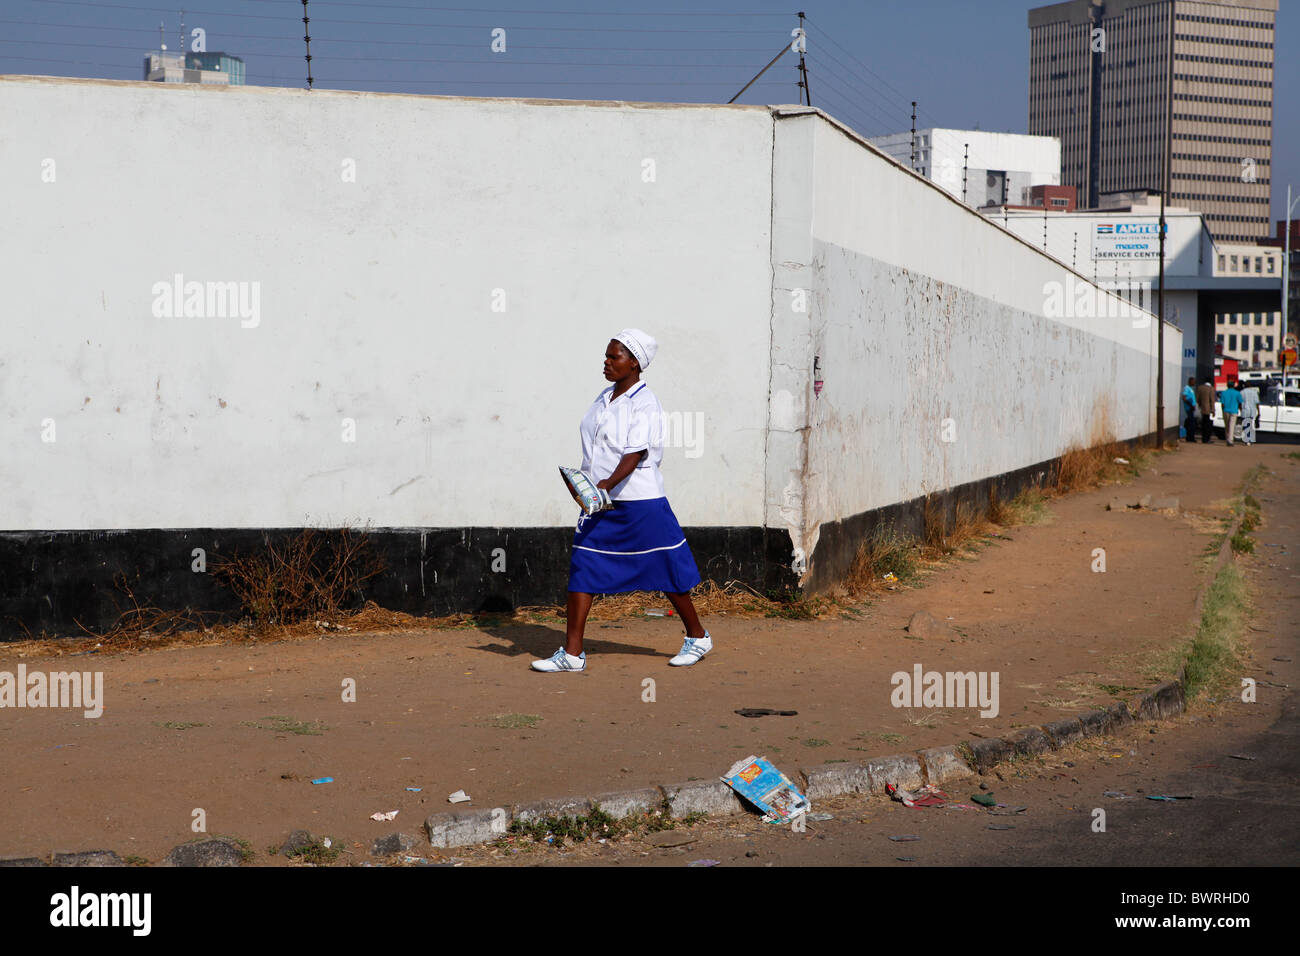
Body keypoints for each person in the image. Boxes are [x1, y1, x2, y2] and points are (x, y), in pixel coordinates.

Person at [532, 329, 711, 673]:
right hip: (601, 503)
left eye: (615, 357)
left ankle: (698, 636)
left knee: (667, 570)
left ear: (635, 364)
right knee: (583, 567)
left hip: (640, 502)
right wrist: (585, 487)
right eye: (607, 356)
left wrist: (604, 485)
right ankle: (572, 654)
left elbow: (633, 455)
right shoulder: (604, 396)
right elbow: (598, 447)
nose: (607, 362)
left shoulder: (646, 403)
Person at [1220, 378, 1242, 447]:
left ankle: (1228, 439)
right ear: (1233, 386)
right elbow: (1240, 402)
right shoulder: (1237, 393)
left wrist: (1223, 411)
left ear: (1227, 385)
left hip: (1226, 410)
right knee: (1232, 426)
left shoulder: (1224, 393)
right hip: (1234, 411)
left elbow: (1222, 404)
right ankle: (1230, 440)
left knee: (1227, 426)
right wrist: (1240, 410)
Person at [1239, 380, 1260, 446]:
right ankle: (1250, 439)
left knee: (1245, 425)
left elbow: (1239, 402)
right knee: (1250, 424)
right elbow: (1257, 403)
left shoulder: (1241, 392)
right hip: (1252, 410)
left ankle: (1247, 439)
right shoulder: (1254, 392)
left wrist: (1240, 409)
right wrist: (1258, 411)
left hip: (1244, 410)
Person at [1196, 379, 1216, 443]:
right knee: (1208, 425)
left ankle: (1203, 438)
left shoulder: (1200, 388)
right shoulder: (1211, 389)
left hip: (1201, 408)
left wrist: (1199, 406)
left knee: (1203, 424)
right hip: (1208, 409)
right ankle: (1206, 439)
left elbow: (1198, 399)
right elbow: (1212, 400)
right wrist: (1213, 410)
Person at [1182, 376, 1199, 442]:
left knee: (1192, 423)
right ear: (1190, 381)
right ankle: (1190, 438)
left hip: (1191, 408)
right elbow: (1184, 397)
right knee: (1191, 423)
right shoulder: (1187, 388)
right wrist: (1190, 405)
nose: (1194, 383)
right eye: (1193, 381)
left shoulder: (1191, 389)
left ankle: (1190, 437)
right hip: (1189, 408)